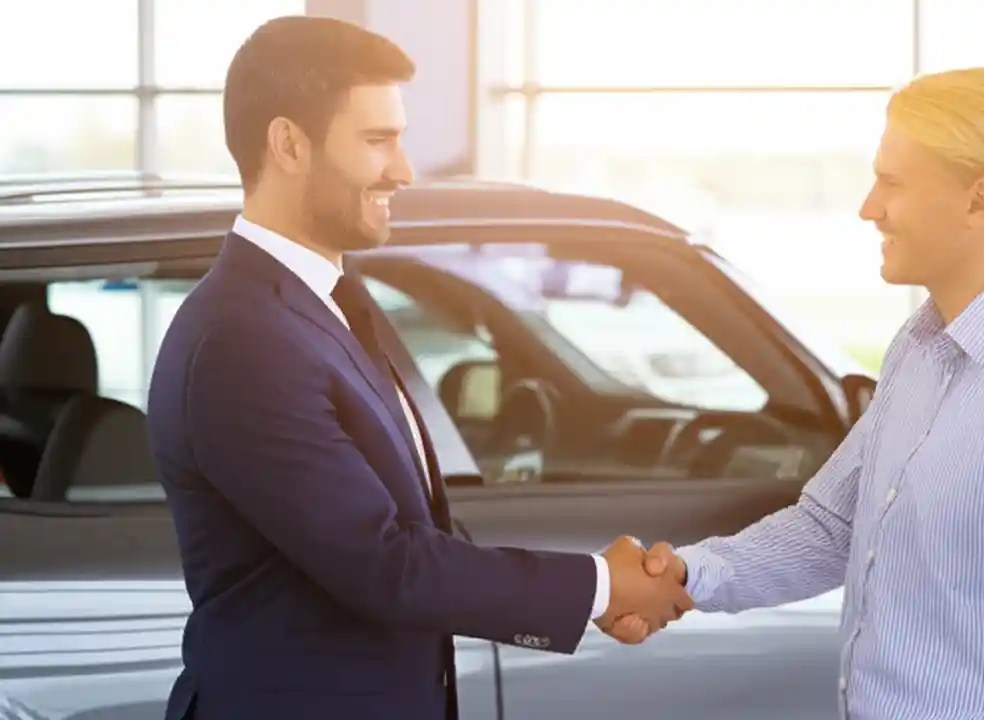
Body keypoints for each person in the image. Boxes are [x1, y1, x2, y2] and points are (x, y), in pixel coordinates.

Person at [146, 16, 687, 720]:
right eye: (378, 140)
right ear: (288, 144)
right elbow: (386, 564)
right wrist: (601, 587)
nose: (403, 169)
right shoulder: (243, 340)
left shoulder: (325, 301)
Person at [630, 67, 984, 719]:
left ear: (979, 201)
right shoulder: (919, 346)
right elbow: (832, 526)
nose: (869, 207)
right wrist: (685, 576)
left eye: (893, 183)